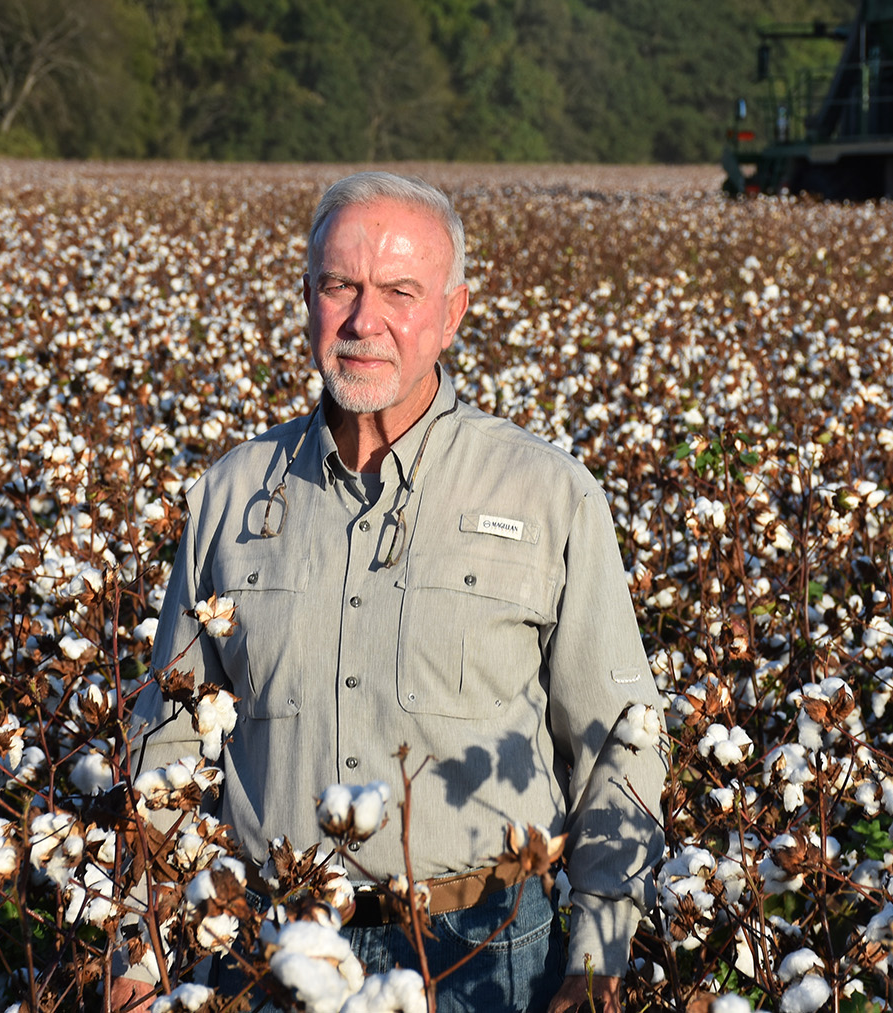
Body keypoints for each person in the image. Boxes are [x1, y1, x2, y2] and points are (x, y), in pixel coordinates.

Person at [113, 172, 665, 1013]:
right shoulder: (230, 497)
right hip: (273, 948)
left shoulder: (548, 493)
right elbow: (168, 750)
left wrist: (595, 959)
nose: (364, 320)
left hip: (485, 955)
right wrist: (141, 952)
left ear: (452, 312)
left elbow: (618, 742)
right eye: (341, 286)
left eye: (400, 291)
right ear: (308, 299)